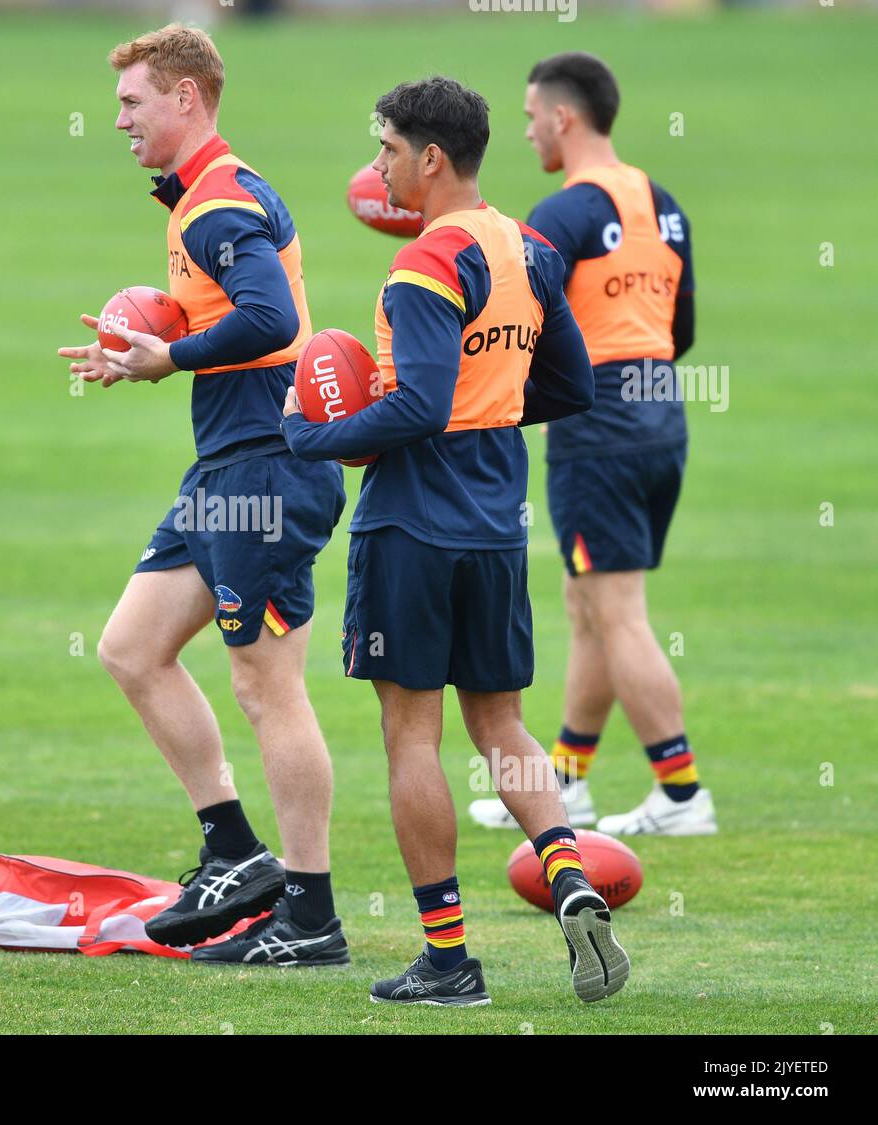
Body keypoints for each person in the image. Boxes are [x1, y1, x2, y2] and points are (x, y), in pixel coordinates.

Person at [281, 76, 628, 1005]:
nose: (378, 164)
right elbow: (571, 388)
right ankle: (569, 875)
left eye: (386, 146)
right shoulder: (528, 246)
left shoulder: (426, 264)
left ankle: (447, 959)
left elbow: (417, 405)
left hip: (412, 527)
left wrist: (312, 436)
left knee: (410, 738)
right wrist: (493, 410)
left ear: (431, 157)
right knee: (502, 724)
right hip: (495, 527)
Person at [58, 25, 349, 965]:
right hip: (225, 468)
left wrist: (169, 355)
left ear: (187, 99)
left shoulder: (216, 209)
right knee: (133, 647)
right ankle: (233, 850)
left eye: (133, 102)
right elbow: (242, 312)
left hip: (266, 464)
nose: (119, 120)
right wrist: (144, 351)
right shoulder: (212, 196)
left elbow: (271, 317)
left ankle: (311, 918)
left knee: (268, 684)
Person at [469, 52, 716, 837]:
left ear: (563, 118)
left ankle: (681, 794)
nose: (529, 129)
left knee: (617, 611)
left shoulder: (563, 212)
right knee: (590, 606)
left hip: (599, 427)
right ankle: (567, 781)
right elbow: (680, 331)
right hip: (658, 417)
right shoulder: (664, 203)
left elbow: (519, 310)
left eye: (531, 115)